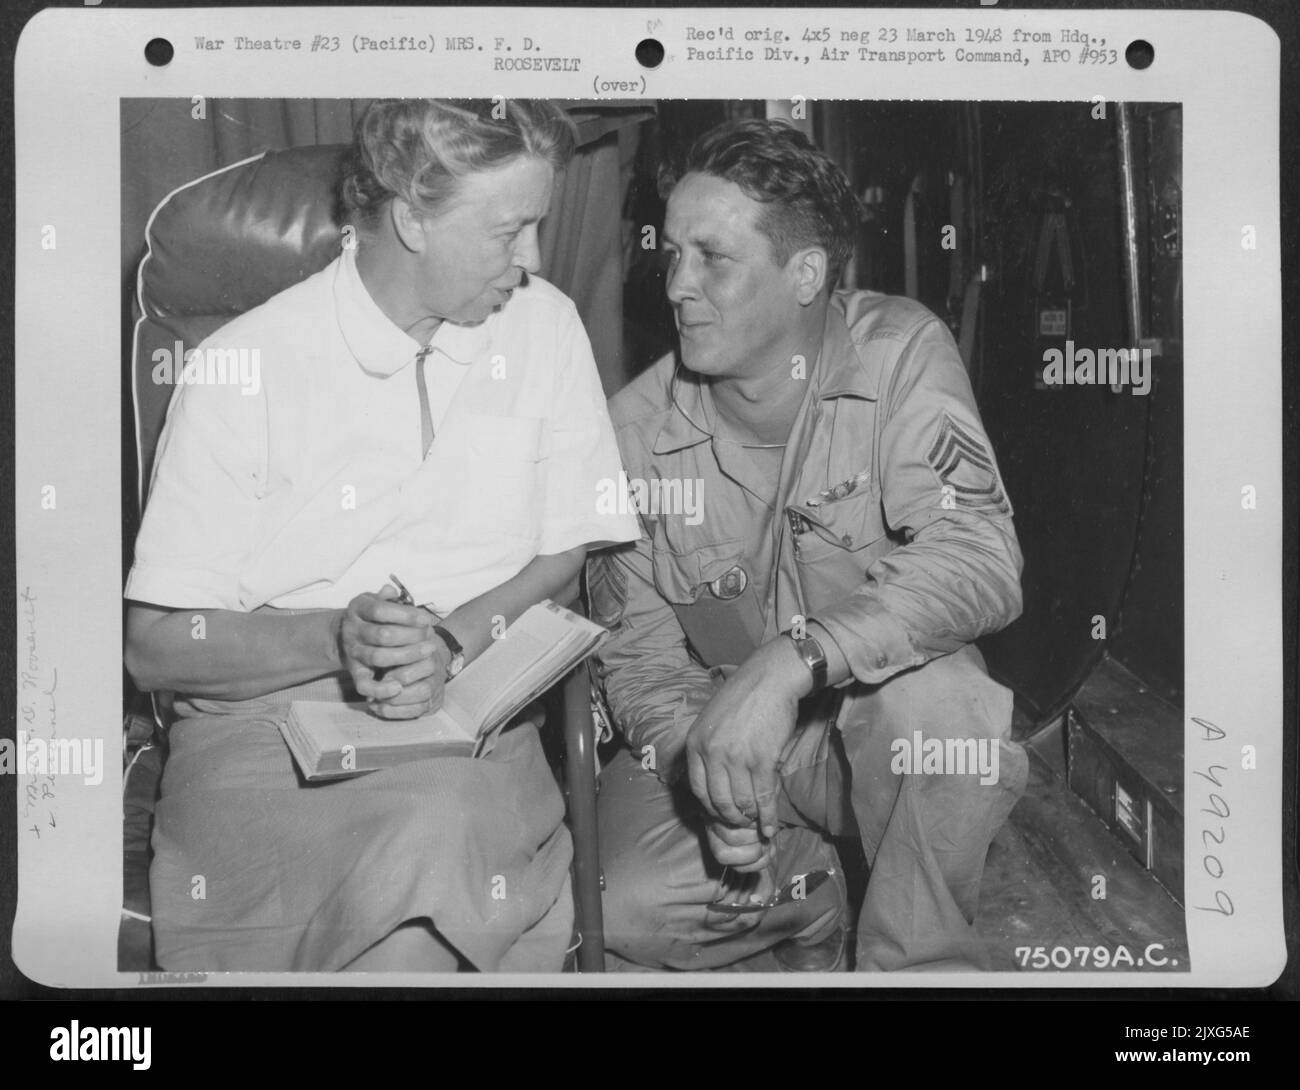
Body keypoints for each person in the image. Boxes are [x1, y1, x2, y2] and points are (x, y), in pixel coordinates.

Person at [124, 99, 639, 972]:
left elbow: (565, 554)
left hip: (466, 731)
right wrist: (340, 639)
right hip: (265, 745)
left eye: (539, 226)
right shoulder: (243, 367)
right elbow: (156, 647)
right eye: (509, 231)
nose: (534, 259)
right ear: (411, 220)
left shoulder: (545, 326)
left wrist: (448, 641)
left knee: (435, 851)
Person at [587, 118, 1028, 972]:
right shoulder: (630, 438)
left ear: (806, 274)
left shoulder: (899, 355)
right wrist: (706, 775)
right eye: (671, 254)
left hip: (866, 716)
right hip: (720, 728)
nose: (676, 285)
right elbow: (639, 660)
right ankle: (821, 888)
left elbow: (978, 553)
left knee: (948, 713)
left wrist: (789, 663)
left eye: (712, 258)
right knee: (621, 907)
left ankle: (918, 960)